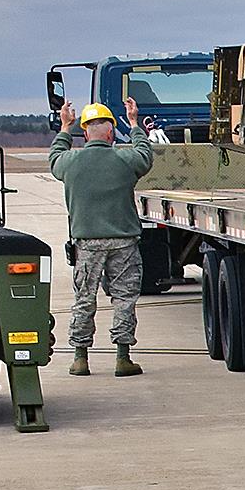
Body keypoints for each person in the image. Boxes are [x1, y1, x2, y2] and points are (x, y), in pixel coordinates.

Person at [50, 97, 155, 376]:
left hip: (87, 244)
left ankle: (80, 358)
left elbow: (54, 158)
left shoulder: (70, 162)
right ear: (110, 132)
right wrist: (134, 124)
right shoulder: (125, 159)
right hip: (124, 243)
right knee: (124, 298)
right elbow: (145, 155)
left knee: (84, 299)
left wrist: (64, 127)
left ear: (84, 133)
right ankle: (122, 357)